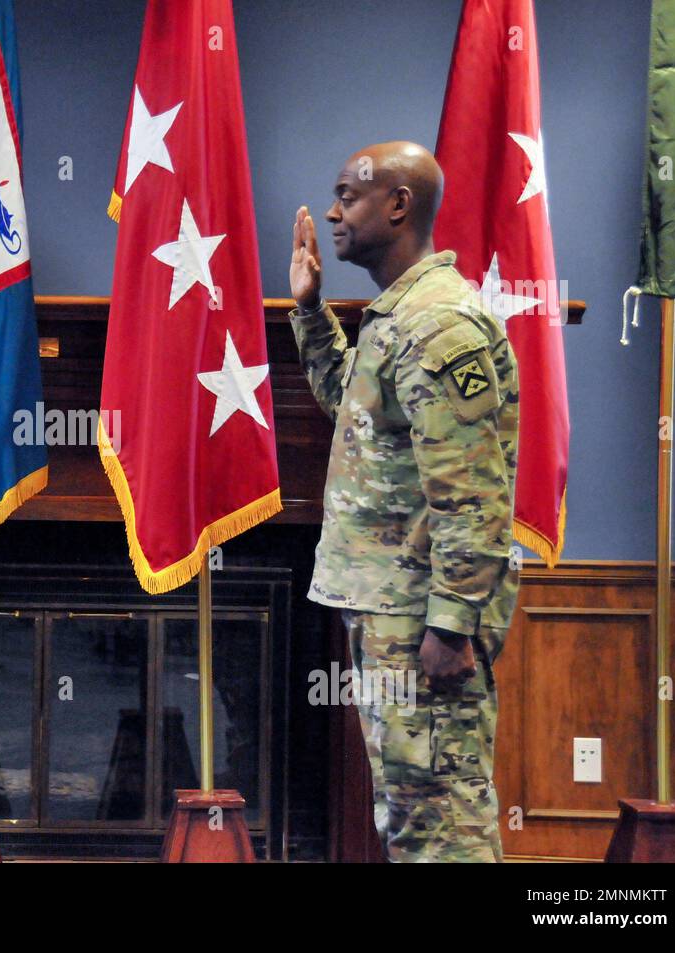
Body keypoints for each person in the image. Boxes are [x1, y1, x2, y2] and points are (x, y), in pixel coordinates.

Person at [289, 141, 520, 862]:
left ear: (399, 205)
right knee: (412, 812)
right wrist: (308, 311)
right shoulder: (399, 316)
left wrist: (450, 625)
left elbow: (473, 494)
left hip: (422, 614)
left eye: (348, 196)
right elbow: (353, 409)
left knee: (441, 820)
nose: (332, 211)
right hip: (393, 606)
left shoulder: (438, 325)